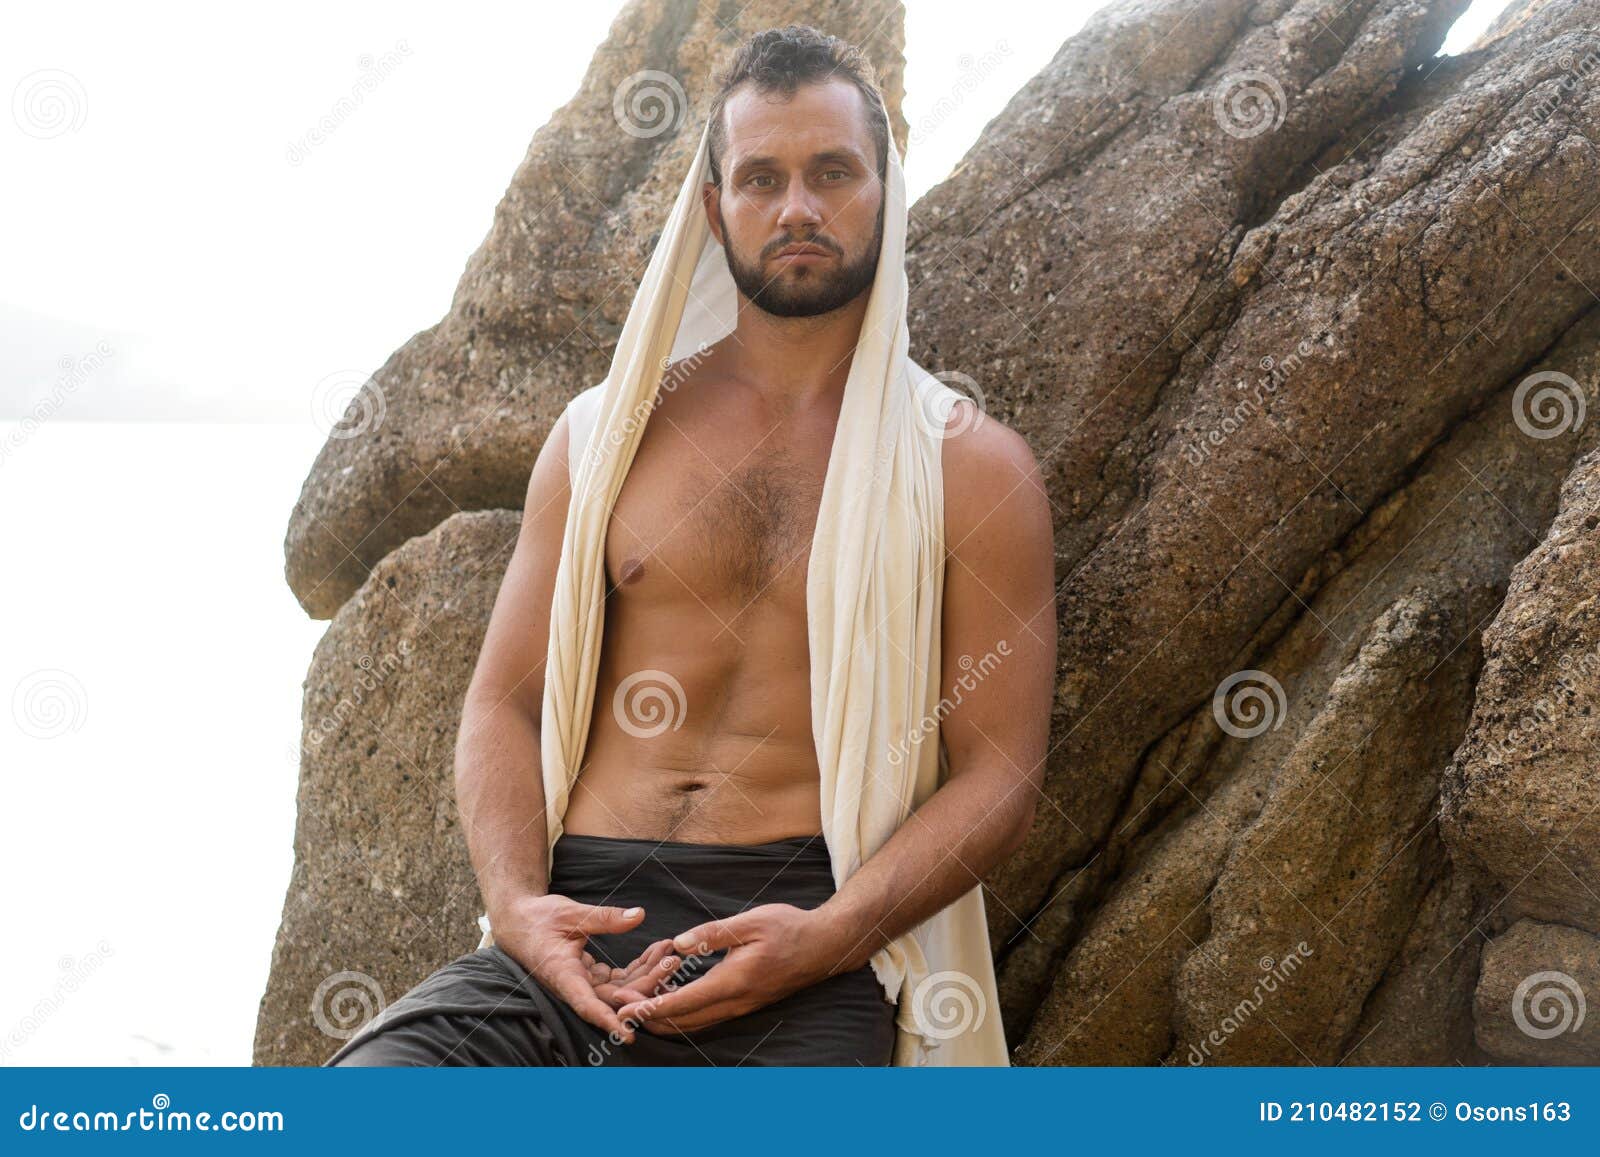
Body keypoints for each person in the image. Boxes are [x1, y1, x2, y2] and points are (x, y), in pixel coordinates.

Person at [325, 23, 1055, 1068]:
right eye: (761, 178)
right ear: (714, 209)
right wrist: (520, 910)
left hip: (803, 944)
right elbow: (503, 703)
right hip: (576, 933)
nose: (796, 208)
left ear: (885, 190)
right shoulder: (604, 436)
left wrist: (832, 936)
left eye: (831, 172)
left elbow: (1000, 773)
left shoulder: (971, 466)